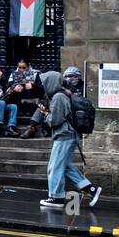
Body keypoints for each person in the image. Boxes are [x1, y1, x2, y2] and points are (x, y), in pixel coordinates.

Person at [39, 68, 103, 210]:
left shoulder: (58, 97)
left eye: (45, 83)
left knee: (54, 166)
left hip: (64, 136)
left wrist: (45, 114)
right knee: (65, 167)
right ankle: (91, 189)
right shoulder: (63, 95)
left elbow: (55, 120)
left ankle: (56, 197)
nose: (43, 86)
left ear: (51, 83)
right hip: (68, 135)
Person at [7, 58, 43, 136]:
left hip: (32, 104)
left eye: (24, 68)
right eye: (19, 67)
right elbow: (8, 88)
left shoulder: (36, 74)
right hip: (18, 104)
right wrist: (14, 88)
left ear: (28, 66)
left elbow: (42, 90)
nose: (21, 70)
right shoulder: (13, 74)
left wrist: (33, 86)